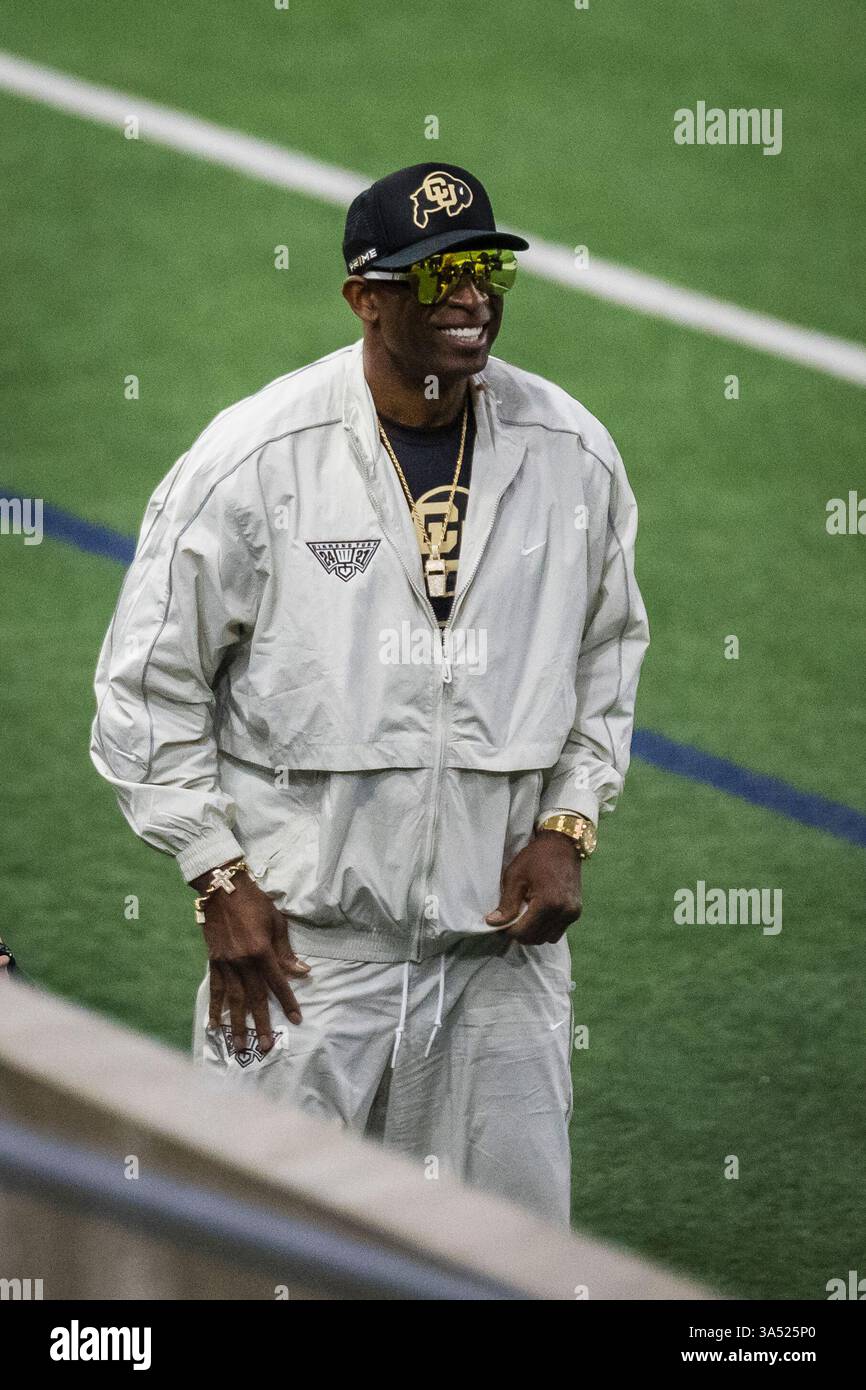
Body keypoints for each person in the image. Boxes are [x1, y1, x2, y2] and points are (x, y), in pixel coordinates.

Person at [91, 162, 649, 1225]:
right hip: (305, 953)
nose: (471, 295)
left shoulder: (571, 453)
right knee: (253, 1255)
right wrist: (214, 875)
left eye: (484, 267)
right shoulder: (256, 457)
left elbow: (606, 653)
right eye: (436, 275)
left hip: (500, 961)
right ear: (365, 296)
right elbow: (144, 687)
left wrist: (569, 821)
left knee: (503, 1264)